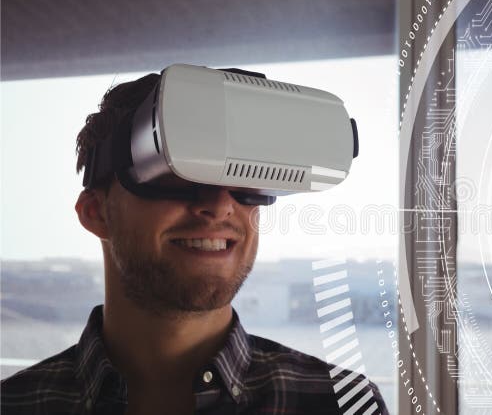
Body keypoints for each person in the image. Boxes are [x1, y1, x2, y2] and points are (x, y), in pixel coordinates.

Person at [1, 72, 388, 415]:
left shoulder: (340, 404)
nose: (220, 206)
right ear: (96, 213)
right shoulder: (15, 405)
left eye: (245, 176)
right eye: (175, 172)